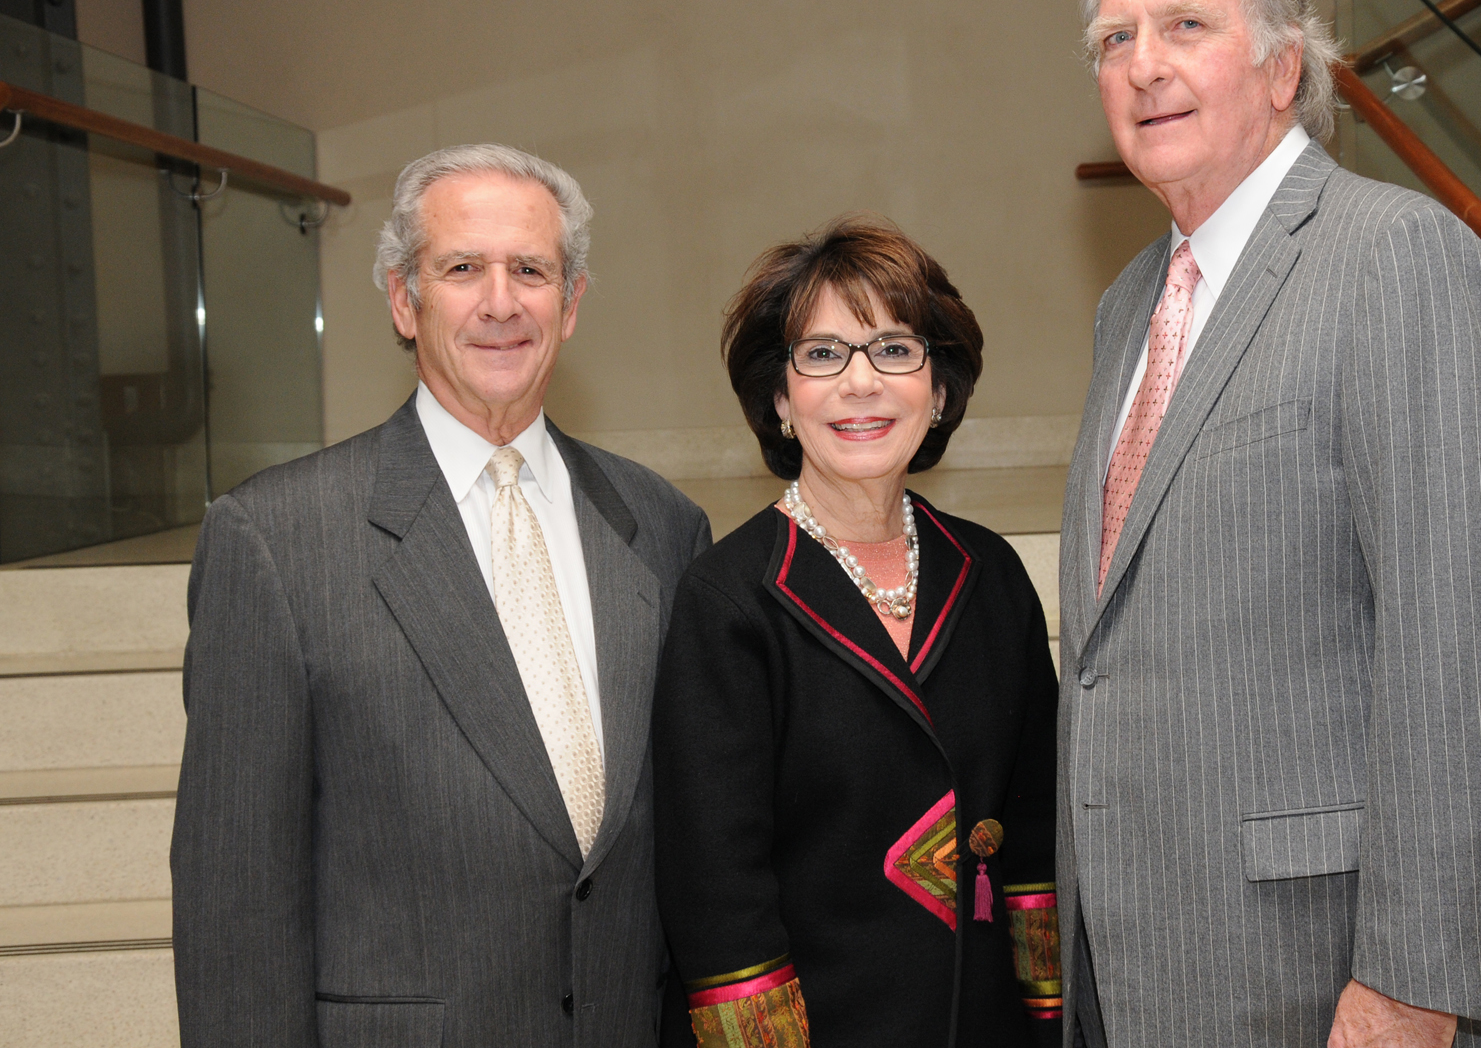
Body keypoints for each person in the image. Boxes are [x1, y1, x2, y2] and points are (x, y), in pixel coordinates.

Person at [1057, 0, 1481, 1048]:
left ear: (1282, 65)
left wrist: (1411, 979)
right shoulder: (1129, 304)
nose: (1143, 66)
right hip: (1159, 961)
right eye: (1114, 40)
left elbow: (1463, 652)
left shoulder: (1399, 256)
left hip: (1340, 973)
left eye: (1185, 25)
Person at [171, 145, 711, 1047]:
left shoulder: (661, 526)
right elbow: (237, 906)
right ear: (402, 299)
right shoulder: (273, 543)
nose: (501, 301)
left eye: (530, 270)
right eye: (462, 268)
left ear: (569, 305)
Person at [652, 218, 1062, 1047]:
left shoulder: (991, 576)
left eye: (895, 350)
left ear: (939, 390)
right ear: (780, 398)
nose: (861, 383)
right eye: (822, 354)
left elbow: (1036, 837)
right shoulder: (730, 599)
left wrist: (1049, 1022)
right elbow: (717, 894)